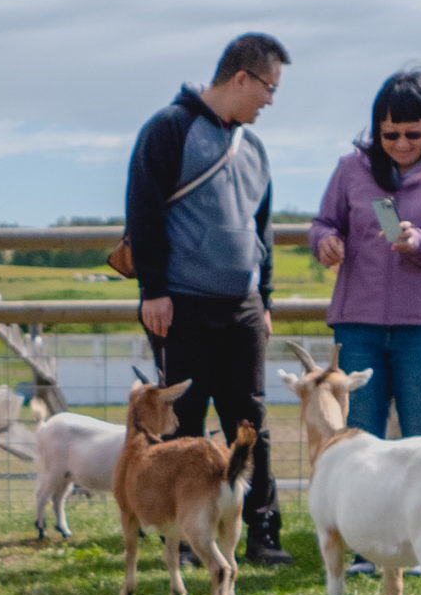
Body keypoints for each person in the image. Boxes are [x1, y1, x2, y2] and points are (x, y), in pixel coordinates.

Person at [126, 31, 295, 565]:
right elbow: (144, 210)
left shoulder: (255, 148)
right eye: (268, 86)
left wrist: (263, 297)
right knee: (188, 424)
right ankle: (190, 535)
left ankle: (260, 528)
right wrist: (153, 289)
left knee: (251, 419)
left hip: (241, 306)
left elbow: (260, 227)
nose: (271, 99)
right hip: (182, 303)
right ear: (241, 77)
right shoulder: (169, 130)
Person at [309, 67, 421, 437]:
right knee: (358, 438)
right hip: (357, 326)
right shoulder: (351, 168)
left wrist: (420, 242)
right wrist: (326, 242)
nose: (402, 143)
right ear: (377, 129)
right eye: (390, 135)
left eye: (413, 134)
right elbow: (323, 223)